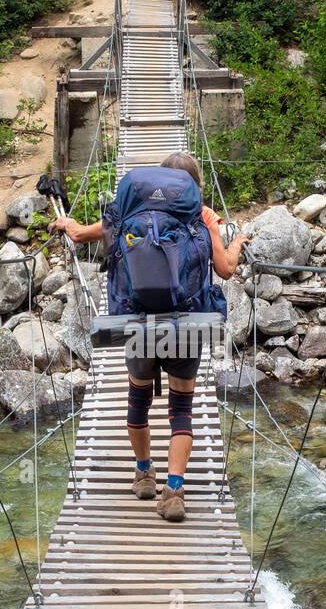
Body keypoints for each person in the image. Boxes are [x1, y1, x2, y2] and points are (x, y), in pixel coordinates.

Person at [51, 151, 246, 522]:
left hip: (138, 323)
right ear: (193, 184)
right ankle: (174, 490)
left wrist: (66, 223)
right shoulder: (203, 216)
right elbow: (225, 270)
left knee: (138, 399)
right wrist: (237, 244)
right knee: (182, 410)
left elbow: (78, 236)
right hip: (186, 322)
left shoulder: (124, 214)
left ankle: (144, 473)